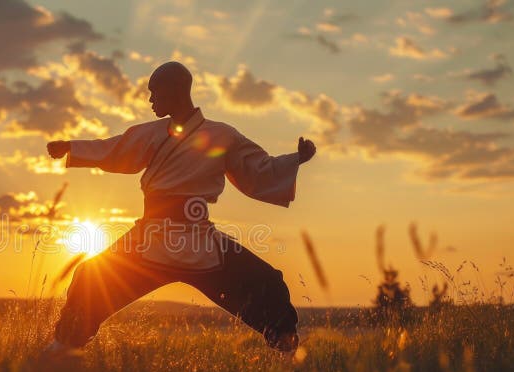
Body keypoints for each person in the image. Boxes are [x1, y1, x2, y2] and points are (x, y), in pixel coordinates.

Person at [45, 61, 316, 353]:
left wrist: (295, 159)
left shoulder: (221, 135)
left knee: (266, 282)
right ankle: (63, 348)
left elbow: (257, 168)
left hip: (198, 240)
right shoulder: (151, 133)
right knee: (89, 277)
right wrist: (71, 147)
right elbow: (116, 149)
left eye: (154, 92)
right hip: (153, 238)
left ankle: (287, 347)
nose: (150, 100)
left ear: (175, 90)